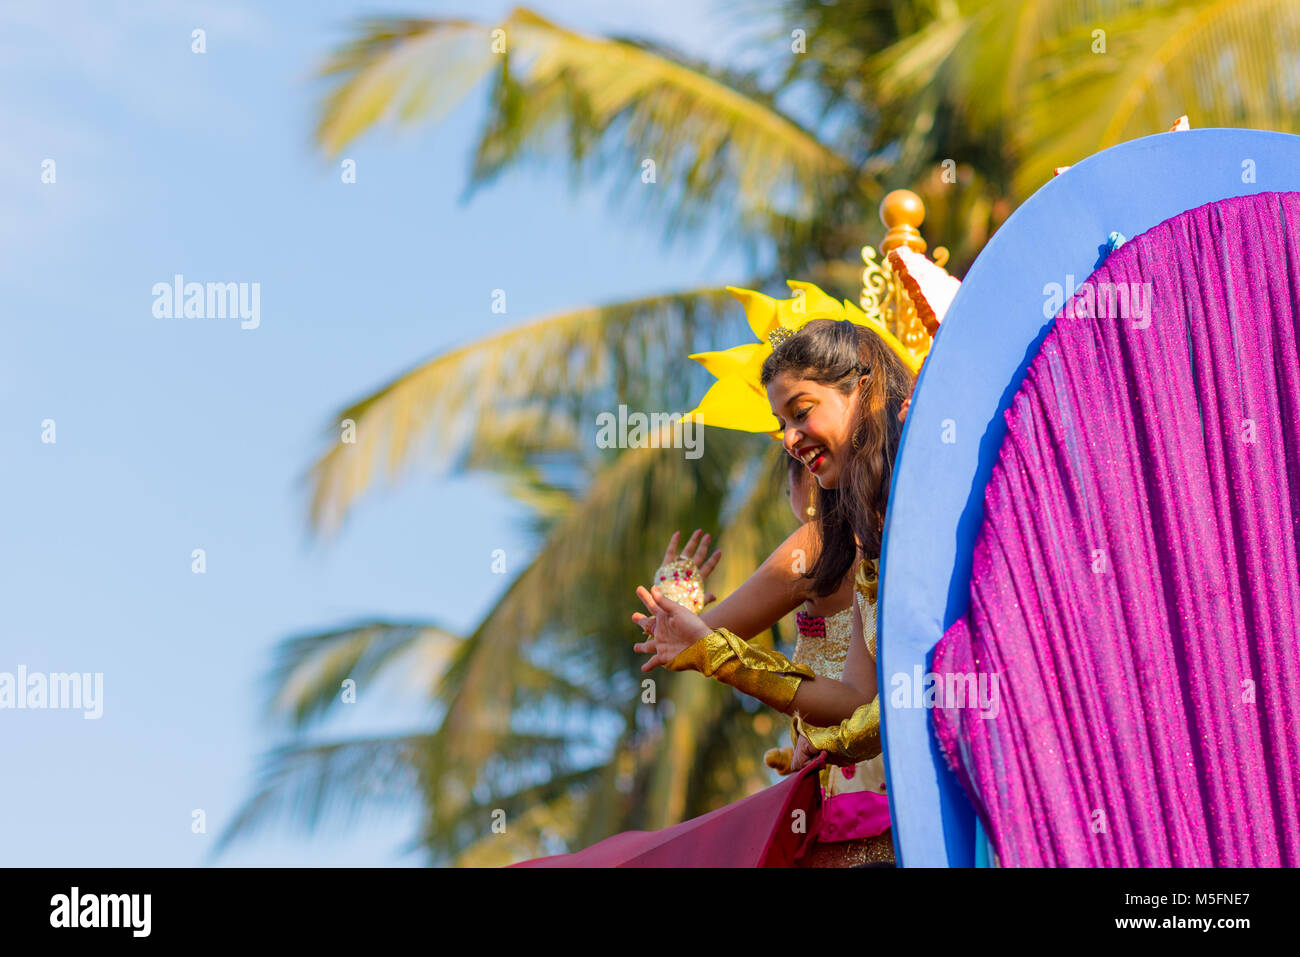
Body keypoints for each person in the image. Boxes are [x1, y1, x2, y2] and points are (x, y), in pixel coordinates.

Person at [635, 317, 916, 863]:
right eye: (783, 428)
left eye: (801, 413)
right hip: (869, 802)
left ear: (861, 389)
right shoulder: (869, 542)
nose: (791, 442)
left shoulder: (892, 504)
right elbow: (860, 701)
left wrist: (687, 613)